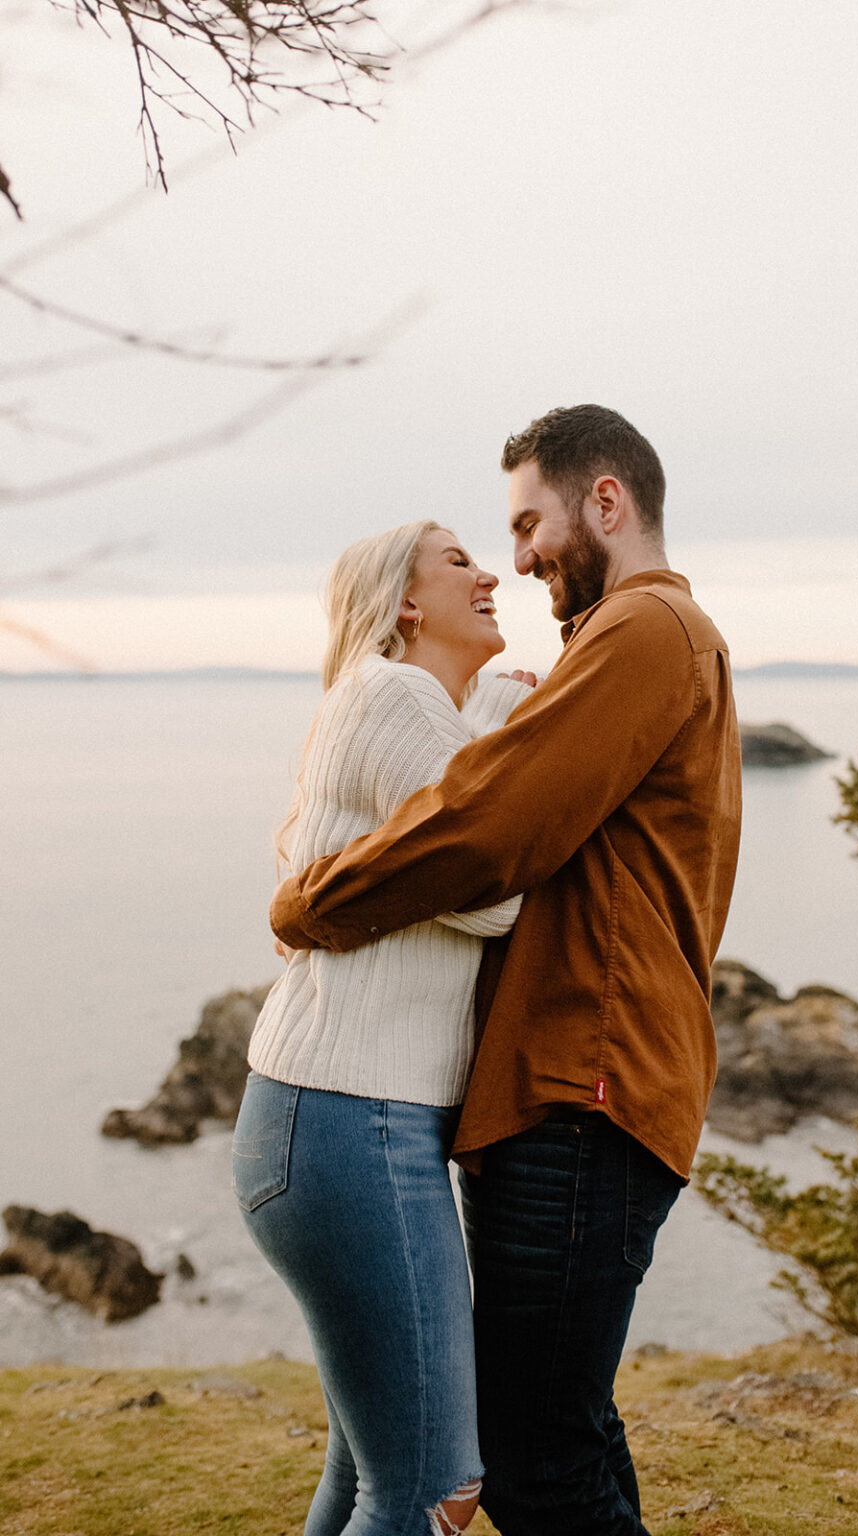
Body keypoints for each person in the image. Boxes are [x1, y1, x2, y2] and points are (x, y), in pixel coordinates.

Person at [270, 404, 744, 1536]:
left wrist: (315, 897)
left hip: (583, 1084)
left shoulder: (644, 633)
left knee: (535, 1456)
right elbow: (501, 789)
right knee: (558, 1431)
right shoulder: (628, 642)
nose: (519, 555)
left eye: (530, 523)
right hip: (576, 1082)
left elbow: (487, 827)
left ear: (607, 502)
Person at [233, 519, 533, 1536]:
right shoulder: (391, 695)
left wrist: (508, 700)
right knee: (433, 1487)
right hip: (350, 1126)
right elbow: (492, 895)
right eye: (458, 562)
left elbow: (470, 774)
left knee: (368, 1478)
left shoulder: (413, 702)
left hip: (337, 1123)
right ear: (405, 602)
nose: (490, 571)